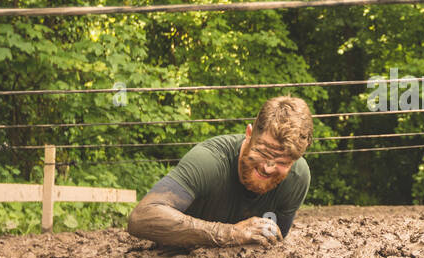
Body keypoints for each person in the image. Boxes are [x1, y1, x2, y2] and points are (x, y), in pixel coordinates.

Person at [128, 95, 313, 249]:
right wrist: (231, 233)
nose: (267, 167)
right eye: (263, 153)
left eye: (281, 162)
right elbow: (142, 216)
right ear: (249, 134)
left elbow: (273, 244)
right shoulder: (209, 162)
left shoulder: (297, 178)